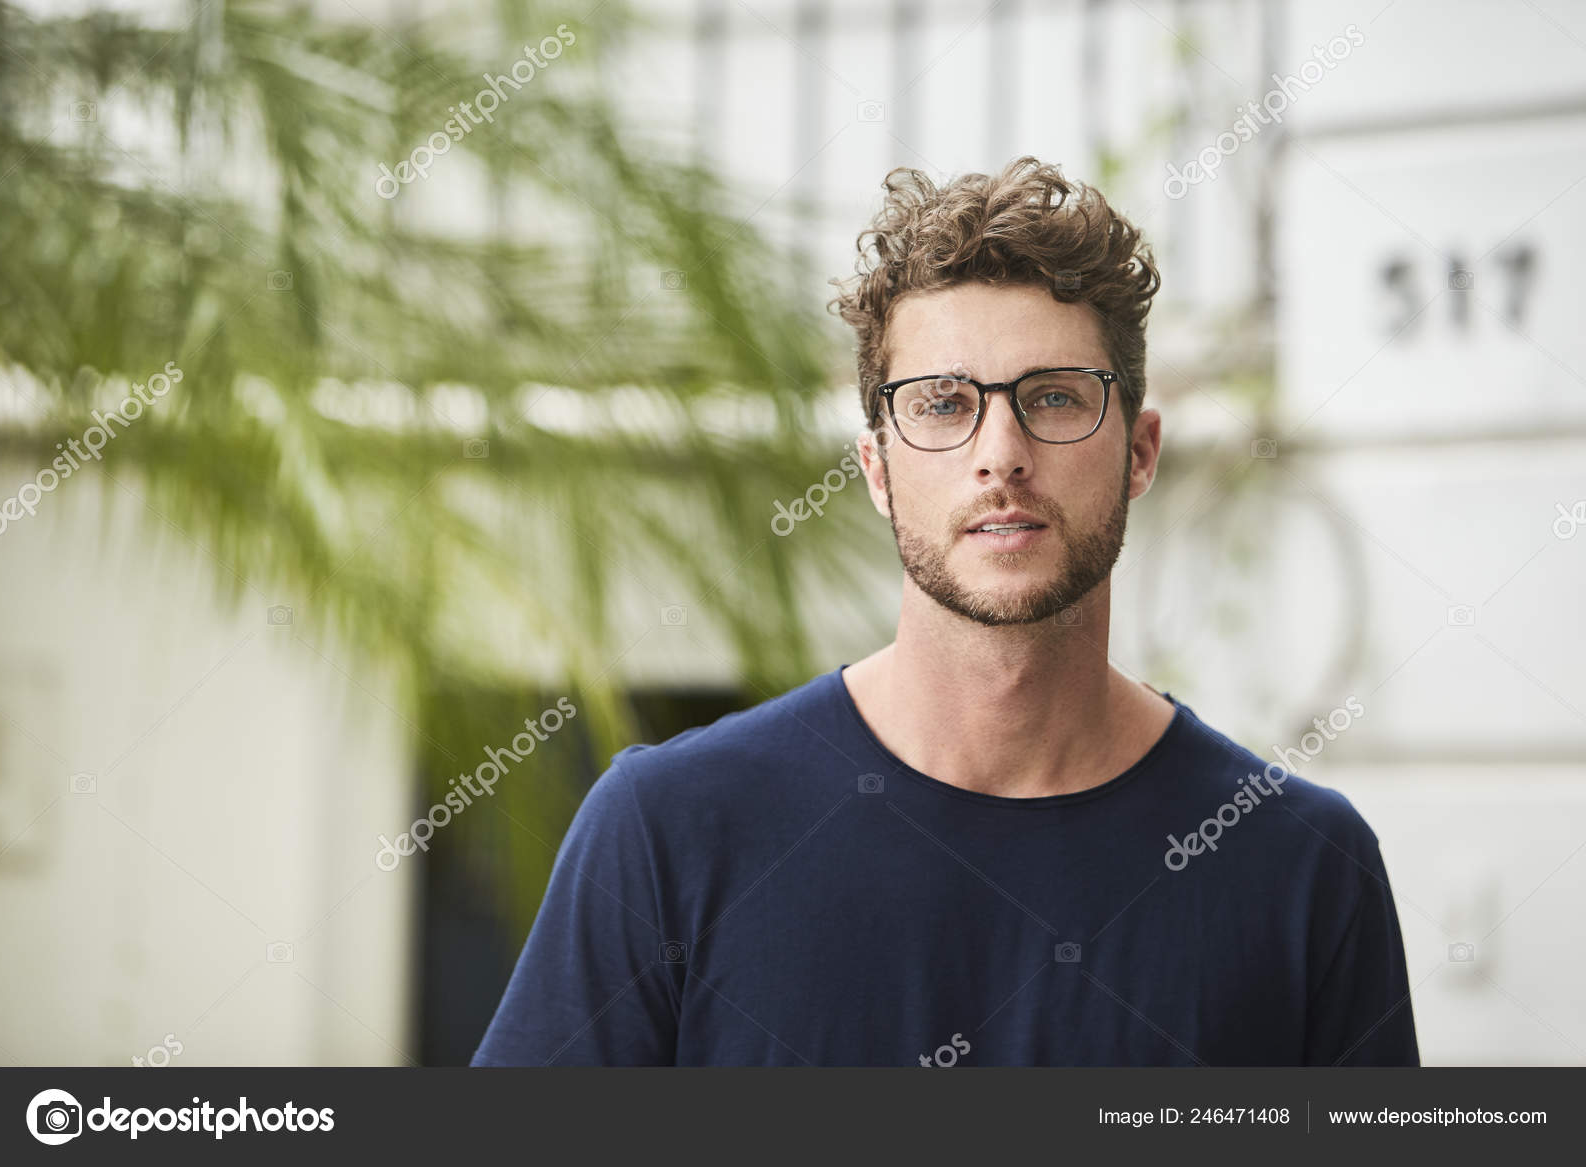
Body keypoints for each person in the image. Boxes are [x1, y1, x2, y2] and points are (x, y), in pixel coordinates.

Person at [471, 156, 1419, 1067]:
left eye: (1053, 398)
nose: (1000, 452)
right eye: (942, 403)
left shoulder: (1302, 870)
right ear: (877, 469)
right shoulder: (669, 834)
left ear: (1139, 452)